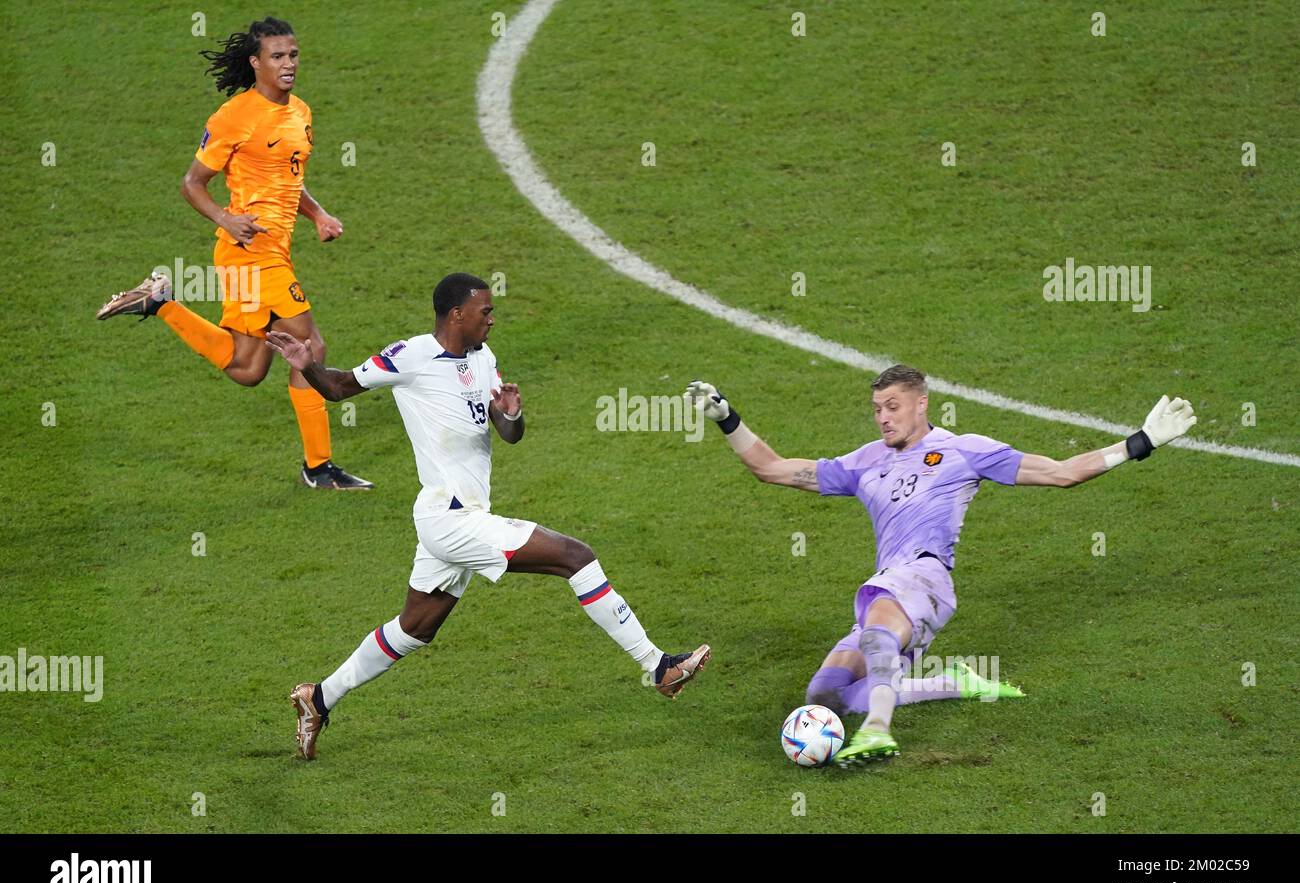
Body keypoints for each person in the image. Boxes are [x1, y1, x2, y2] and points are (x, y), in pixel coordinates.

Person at [268, 273, 711, 759]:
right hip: (449, 518)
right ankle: (658, 666)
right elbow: (337, 387)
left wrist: (511, 414)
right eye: (486, 311)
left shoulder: (483, 360)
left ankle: (320, 698)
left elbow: (507, 432)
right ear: (456, 314)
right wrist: (309, 366)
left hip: (458, 516)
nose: (493, 319)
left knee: (415, 628)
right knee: (575, 558)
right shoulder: (409, 356)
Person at [686, 366, 1196, 767]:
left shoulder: (963, 452)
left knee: (878, 615)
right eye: (876, 409)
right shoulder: (864, 461)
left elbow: (1061, 473)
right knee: (827, 693)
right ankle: (953, 682)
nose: (883, 417)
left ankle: (879, 730)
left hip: (924, 579)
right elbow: (771, 469)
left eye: (893, 406)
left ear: (921, 403)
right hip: (897, 585)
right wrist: (727, 418)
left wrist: (1140, 443)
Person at [95, 17, 370, 489]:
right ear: (256, 62)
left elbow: (289, 180)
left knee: (247, 368)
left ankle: (160, 303)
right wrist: (225, 218)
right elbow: (191, 184)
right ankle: (319, 467)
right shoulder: (233, 117)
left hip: (271, 251)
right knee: (309, 348)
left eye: (294, 55)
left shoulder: (300, 113)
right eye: (278, 57)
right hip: (249, 252)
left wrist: (319, 215)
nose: (289, 64)